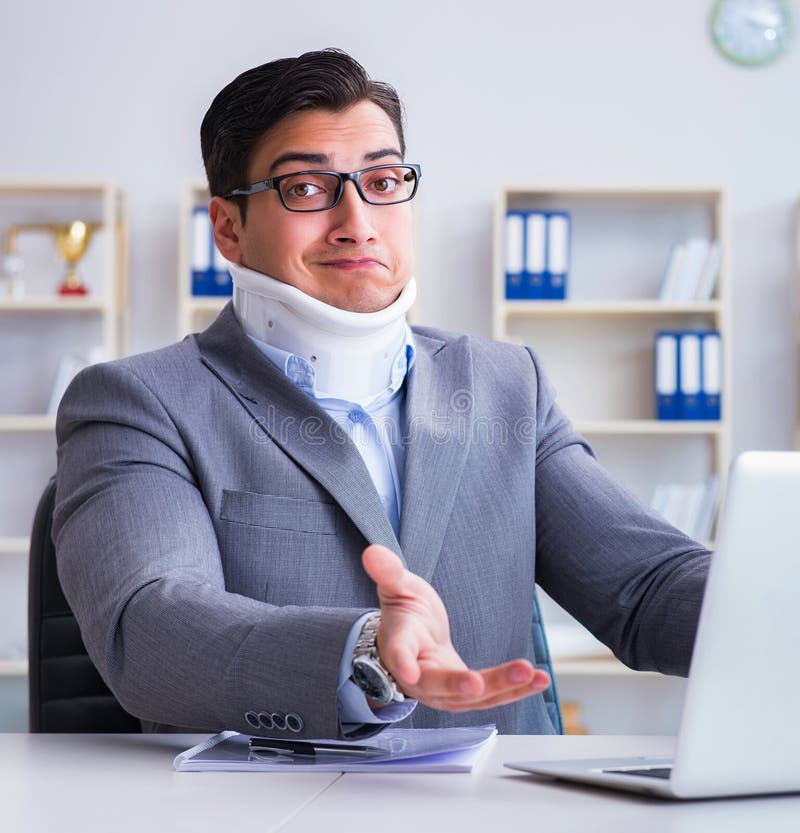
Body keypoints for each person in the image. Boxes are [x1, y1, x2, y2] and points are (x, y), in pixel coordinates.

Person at [53, 48, 710, 738]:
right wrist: (367, 649)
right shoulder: (140, 404)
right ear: (228, 227)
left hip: (508, 807)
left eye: (384, 179)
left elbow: (644, 587)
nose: (358, 221)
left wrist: (768, 601)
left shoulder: (507, 385)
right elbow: (153, 628)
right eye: (306, 188)